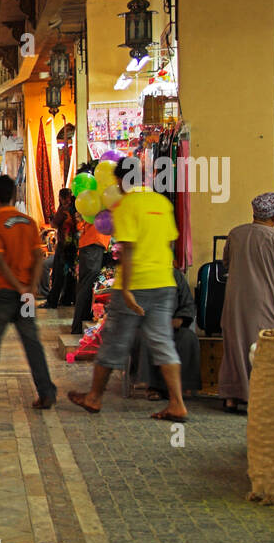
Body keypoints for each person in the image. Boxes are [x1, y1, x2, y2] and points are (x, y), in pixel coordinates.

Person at [69, 159, 188, 421]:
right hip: (164, 283)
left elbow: (129, 249)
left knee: (113, 342)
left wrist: (126, 291)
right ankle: (177, 403)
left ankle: (94, 397)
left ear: (120, 180)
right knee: (163, 343)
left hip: (135, 286)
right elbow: (170, 242)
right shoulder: (161, 203)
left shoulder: (125, 206)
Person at [0, 175, 57, 409]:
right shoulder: (28, 222)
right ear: (14, 197)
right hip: (26, 295)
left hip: (4, 295)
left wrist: (18, 287)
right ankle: (46, 392)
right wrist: (31, 288)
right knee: (32, 342)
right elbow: (38, 257)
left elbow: (1, 261)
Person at [217, 192, 274, 411]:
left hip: (234, 303)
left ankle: (232, 397)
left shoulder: (235, 234)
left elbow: (226, 263)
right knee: (264, 348)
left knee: (236, 347)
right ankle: (258, 397)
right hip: (266, 304)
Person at [133, 268, 202, 399]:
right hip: (146, 325)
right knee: (144, 338)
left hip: (172, 324)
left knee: (188, 338)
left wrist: (178, 320)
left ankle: (180, 386)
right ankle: (153, 386)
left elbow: (188, 304)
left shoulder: (175, 275)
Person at [71, 201, 112, 334]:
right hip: (93, 243)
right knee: (87, 285)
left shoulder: (97, 200)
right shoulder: (101, 200)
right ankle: (77, 326)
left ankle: (80, 323)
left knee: (87, 285)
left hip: (92, 243)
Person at [43, 188, 77, 309]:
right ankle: (68, 298)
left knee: (58, 274)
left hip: (63, 245)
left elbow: (54, 224)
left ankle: (52, 301)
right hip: (74, 245)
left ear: (62, 198)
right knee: (70, 274)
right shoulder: (76, 207)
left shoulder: (63, 209)